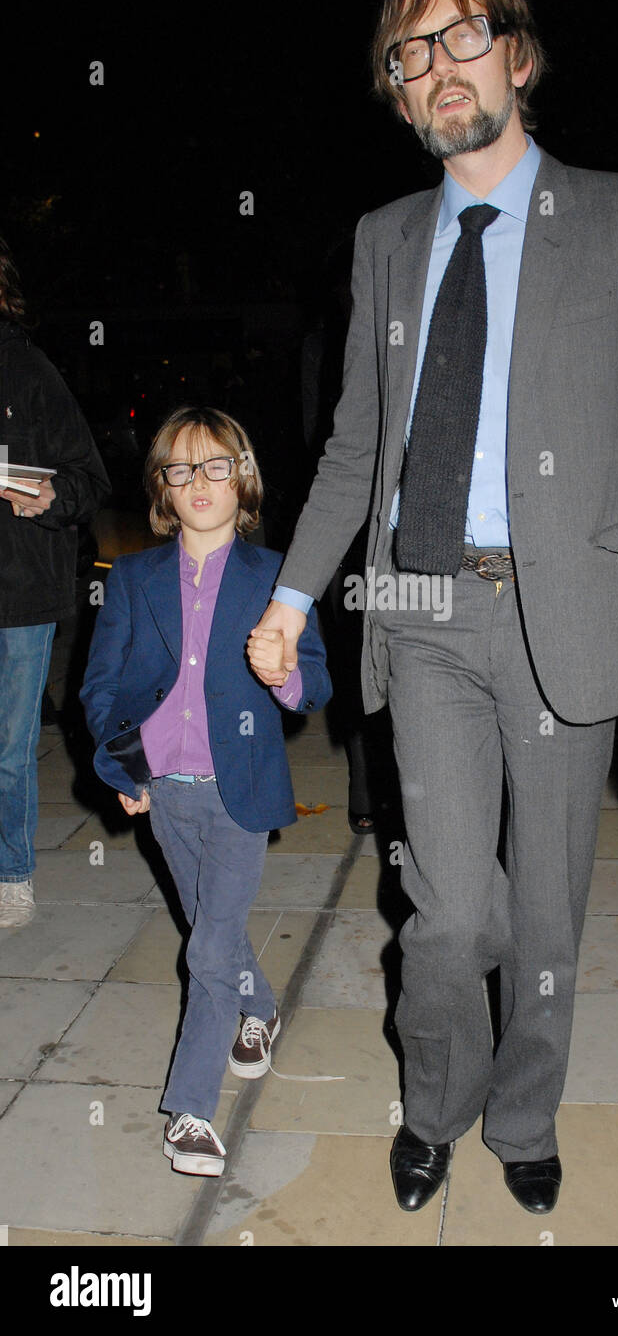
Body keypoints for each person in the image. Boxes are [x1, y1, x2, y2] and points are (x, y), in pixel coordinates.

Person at [247, 0, 618, 1215]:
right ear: (397, 96)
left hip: (568, 609)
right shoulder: (384, 238)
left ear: (517, 54)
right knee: (450, 916)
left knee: (546, 921)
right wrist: (290, 597)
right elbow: (357, 444)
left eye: (463, 38)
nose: (439, 68)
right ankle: (437, 1102)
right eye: (411, 53)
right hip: (422, 608)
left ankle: (522, 1118)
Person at [80, 407, 331, 1176]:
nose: (199, 483)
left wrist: (282, 672)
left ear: (242, 479)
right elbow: (102, 686)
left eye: (216, 466)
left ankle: (188, 1111)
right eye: (180, 469)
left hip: (239, 791)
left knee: (210, 946)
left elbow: (314, 683)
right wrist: (122, 766)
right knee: (209, 928)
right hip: (166, 793)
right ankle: (258, 1008)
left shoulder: (277, 581)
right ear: (161, 486)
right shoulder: (133, 576)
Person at [0, 235, 110, 929]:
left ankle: (11, 873)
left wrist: (48, 498)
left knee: (7, 750)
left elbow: (88, 479)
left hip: (19, 591)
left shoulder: (29, 371)